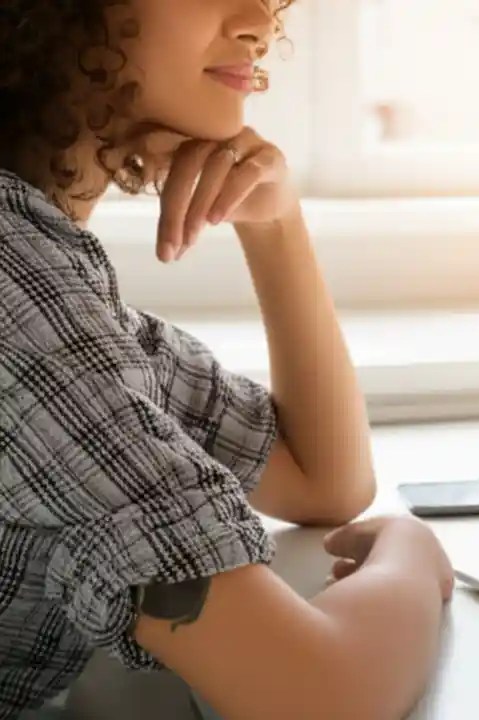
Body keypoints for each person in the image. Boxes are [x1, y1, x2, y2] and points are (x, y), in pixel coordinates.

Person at [0, 1, 454, 718]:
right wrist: (415, 558)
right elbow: (320, 698)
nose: (260, 22)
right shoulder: (17, 294)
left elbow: (320, 479)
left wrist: (276, 225)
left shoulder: (52, 278)